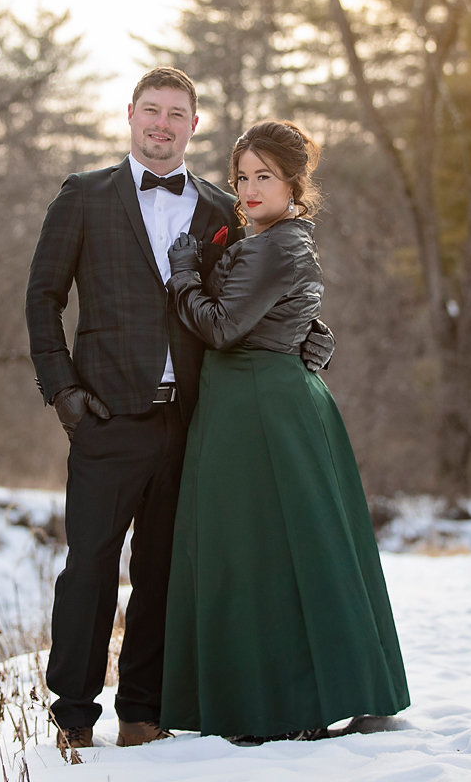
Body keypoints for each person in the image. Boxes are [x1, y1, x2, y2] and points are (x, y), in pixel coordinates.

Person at [25, 69, 334, 755]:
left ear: (194, 125)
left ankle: (143, 710)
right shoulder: (83, 197)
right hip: (106, 418)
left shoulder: (225, 209)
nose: (162, 125)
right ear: (131, 115)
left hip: (196, 421)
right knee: (90, 569)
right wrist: (63, 390)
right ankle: (74, 713)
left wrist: (309, 334)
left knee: (166, 571)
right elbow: (42, 298)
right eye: (152, 112)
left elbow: (262, 289)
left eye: (177, 114)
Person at [159, 119, 409, 743]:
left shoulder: (277, 244)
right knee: (275, 551)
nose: (247, 189)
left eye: (263, 177)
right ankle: (284, 699)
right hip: (253, 402)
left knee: (263, 552)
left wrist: (184, 272)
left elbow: (219, 327)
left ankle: (273, 707)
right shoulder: (276, 240)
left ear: (294, 183)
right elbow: (292, 320)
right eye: (241, 176)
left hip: (260, 408)